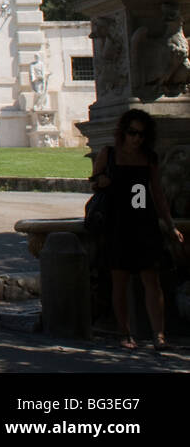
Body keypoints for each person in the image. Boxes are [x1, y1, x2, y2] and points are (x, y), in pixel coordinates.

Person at [91, 109, 184, 350]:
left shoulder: (148, 158)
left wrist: (170, 225)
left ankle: (159, 334)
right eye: (132, 133)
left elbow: (158, 194)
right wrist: (101, 181)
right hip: (117, 222)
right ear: (123, 132)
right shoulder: (109, 154)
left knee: (151, 280)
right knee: (119, 281)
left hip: (144, 221)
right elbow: (93, 181)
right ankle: (125, 333)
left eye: (141, 135)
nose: (136, 139)